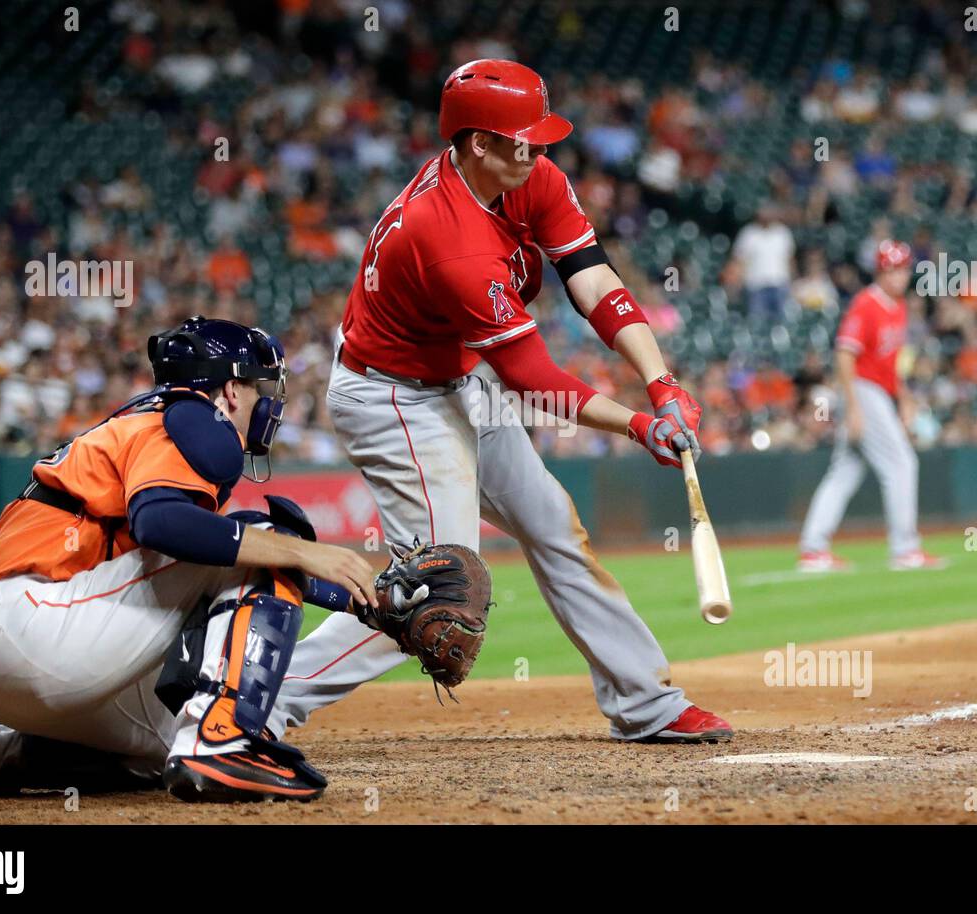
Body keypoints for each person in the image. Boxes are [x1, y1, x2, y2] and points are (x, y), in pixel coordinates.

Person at [272, 59, 733, 744]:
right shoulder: (445, 234)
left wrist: (661, 381)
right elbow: (530, 375)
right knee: (438, 591)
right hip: (394, 396)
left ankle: (646, 704)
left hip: (459, 381)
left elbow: (594, 280)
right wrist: (638, 424)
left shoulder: (529, 176)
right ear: (477, 143)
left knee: (552, 522)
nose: (538, 150)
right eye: (523, 138)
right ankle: (257, 701)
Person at [0, 317, 386, 802]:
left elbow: (208, 554)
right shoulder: (183, 420)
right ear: (230, 390)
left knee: (162, 749)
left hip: (9, 656)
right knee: (268, 535)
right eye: (257, 386)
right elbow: (162, 525)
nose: (266, 401)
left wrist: (365, 602)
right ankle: (221, 739)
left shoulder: (150, 421)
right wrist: (306, 551)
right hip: (33, 625)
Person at [797, 241, 947, 572]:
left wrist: (905, 399)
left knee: (845, 472)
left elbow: (892, 363)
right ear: (879, 271)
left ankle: (813, 549)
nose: (898, 275)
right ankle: (906, 549)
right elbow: (844, 354)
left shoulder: (899, 306)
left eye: (902, 268)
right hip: (861, 390)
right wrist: (852, 407)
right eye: (891, 268)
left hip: (879, 391)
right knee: (901, 464)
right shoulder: (866, 303)